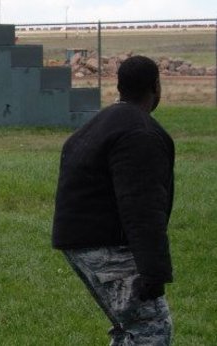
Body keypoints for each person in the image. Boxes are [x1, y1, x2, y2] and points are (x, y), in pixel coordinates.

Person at [53, 55, 174, 345]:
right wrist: (153, 271)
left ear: (119, 86)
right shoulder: (140, 133)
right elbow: (141, 208)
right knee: (151, 329)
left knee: (130, 327)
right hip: (106, 245)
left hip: (77, 239)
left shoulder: (102, 122)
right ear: (156, 87)